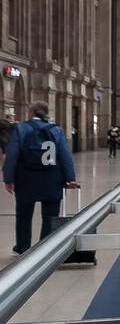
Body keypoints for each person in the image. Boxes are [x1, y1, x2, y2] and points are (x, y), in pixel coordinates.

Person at [3, 102, 79, 255]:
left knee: (24, 215)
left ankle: (23, 247)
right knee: (50, 216)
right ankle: (44, 248)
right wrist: (70, 178)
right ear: (46, 113)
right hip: (52, 178)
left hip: (26, 178)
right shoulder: (56, 130)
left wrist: (8, 178)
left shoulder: (21, 128)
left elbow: (12, 154)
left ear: (31, 113)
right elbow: (65, 155)